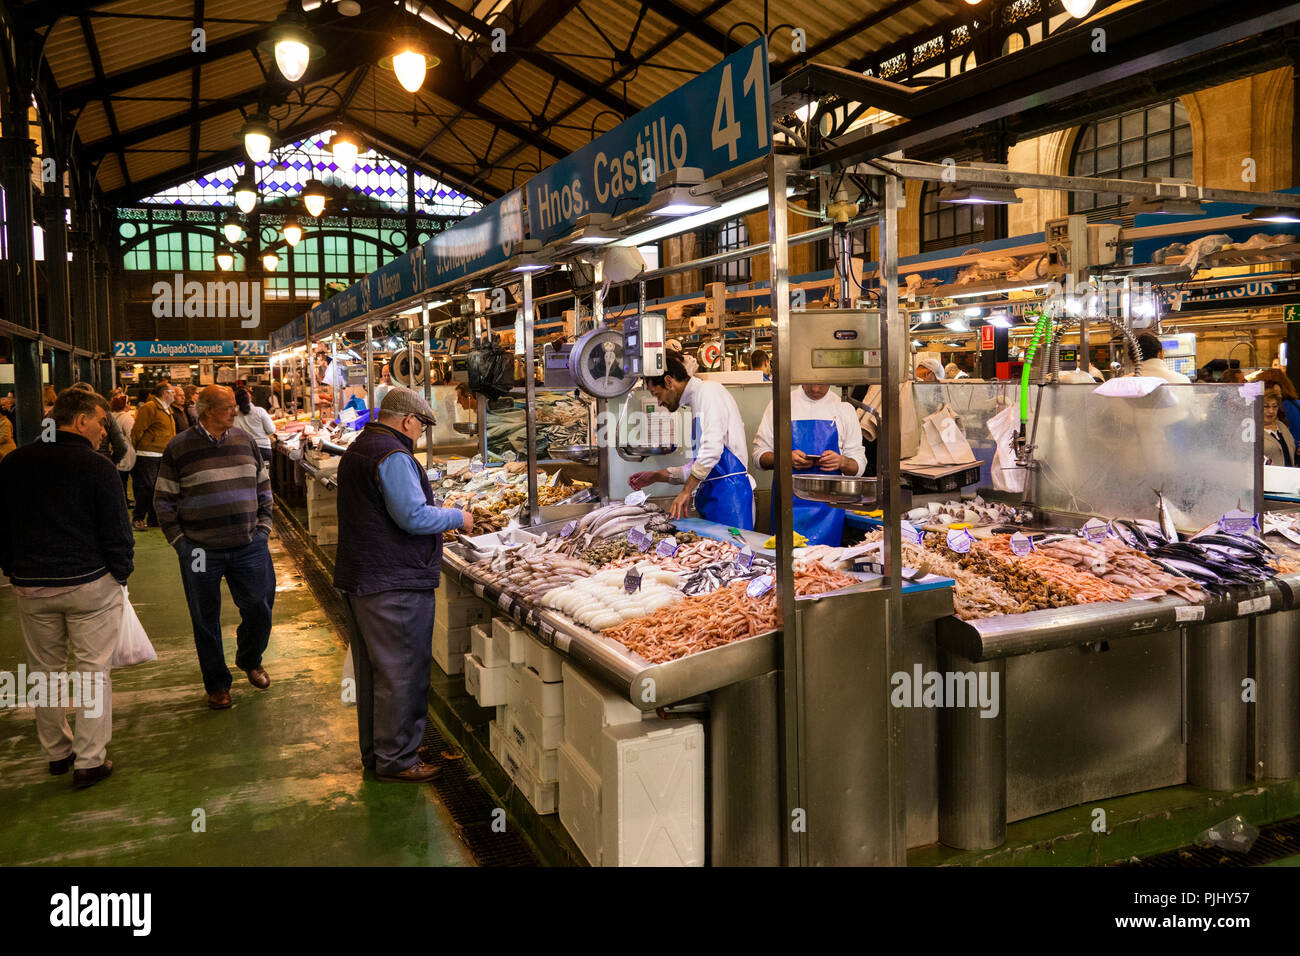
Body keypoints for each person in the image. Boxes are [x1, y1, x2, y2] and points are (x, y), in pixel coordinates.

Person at [333, 388, 473, 782]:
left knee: (377, 672)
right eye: (422, 427)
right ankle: (398, 759)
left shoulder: (364, 445)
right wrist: (456, 518)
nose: (422, 434)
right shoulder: (393, 455)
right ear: (409, 421)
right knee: (402, 672)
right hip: (391, 582)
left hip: (366, 577)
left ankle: (382, 752)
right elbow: (412, 516)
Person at [0, 386, 132, 788]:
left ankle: (58, 753)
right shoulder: (96, 466)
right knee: (93, 674)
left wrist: (13, 568)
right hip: (89, 585)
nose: (104, 432)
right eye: (101, 423)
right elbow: (116, 529)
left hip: (31, 588)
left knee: (45, 672)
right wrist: (120, 573)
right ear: (81, 421)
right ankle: (89, 762)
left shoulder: (14, 462)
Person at [154, 385, 275, 710]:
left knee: (259, 606)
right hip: (198, 551)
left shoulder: (244, 440)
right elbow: (164, 499)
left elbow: (263, 486)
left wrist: (263, 528)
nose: (235, 412)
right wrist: (181, 542)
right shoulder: (179, 447)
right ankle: (217, 685)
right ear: (207, 411)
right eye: (228, 407)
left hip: (249, 545)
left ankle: (250, 658)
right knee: (204, 618)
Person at [627, 356, 755, 528]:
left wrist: (686, 491)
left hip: (732, 499)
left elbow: (712, 450)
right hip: (715, 498)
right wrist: (657, 476)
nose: (658, 402)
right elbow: (697, 467)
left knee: (734, 553)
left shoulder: (709, 391)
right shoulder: (695, 402)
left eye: (657, 394)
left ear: (669, 381)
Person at [752, 384, 868, 546]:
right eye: (810, 383)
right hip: (787, 507)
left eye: (822, 383)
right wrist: (784, 458)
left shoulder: (844, 409)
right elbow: (759, 457)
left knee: (825, 566)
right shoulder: (780, 404)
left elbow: (858, 465)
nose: (815, 388)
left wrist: (842, 462)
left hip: (829, 512)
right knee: (788, 564)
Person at [129, 382, 177, 530]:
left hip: (162, 454)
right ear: (164, 393)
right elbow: (137, 431)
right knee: (146, 487)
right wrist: (141, 447)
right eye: (172, 391)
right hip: (147, 454)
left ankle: (154, 518)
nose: (174, 394)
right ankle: (138, 518)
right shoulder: (149, 408)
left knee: (159, 488)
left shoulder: (168, 410)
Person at [71, 382, 127, 466]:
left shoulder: (60, 414)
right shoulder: (104, 414)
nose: (103, 433)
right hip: (102, 462)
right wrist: (111, 463)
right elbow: (121, 447)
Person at [234, 386, 277, 465]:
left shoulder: (233, 413)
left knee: (247, 476)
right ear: (249, 398)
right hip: (262, 450)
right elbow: (271, 430)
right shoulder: (259, 411)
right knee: (264, 476)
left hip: (242, 450)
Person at [111, 394, 136, 501]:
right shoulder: (127, 417)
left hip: (115, 449)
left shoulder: (112, 416)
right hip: (127, 451)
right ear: (125, 404)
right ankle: (126, 500)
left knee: (121, 479)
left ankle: (123, 498)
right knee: (128, 477)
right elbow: (132, 435)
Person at [1263, 387, 1296, 468]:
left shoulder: (1281, 425)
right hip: (1268, 478)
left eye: (1275, 406)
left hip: (1289, 476)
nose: (1271, 411)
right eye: (1266, 406)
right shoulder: (1253, 431)